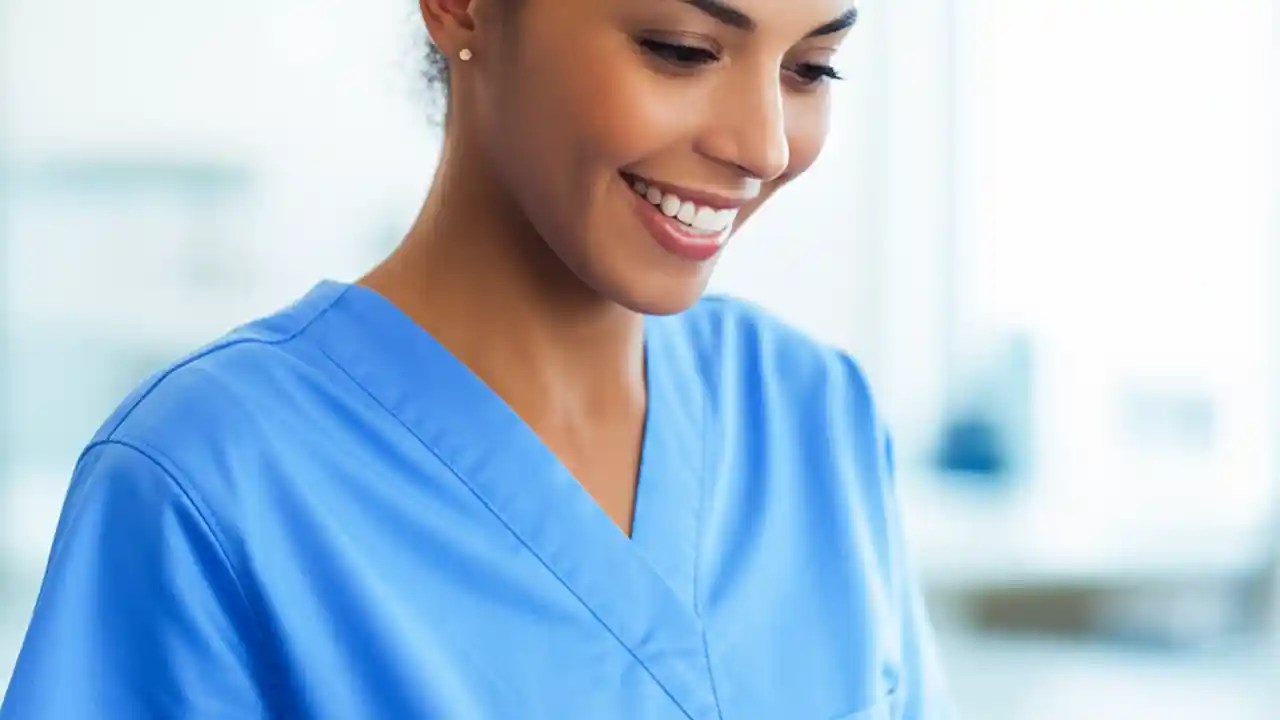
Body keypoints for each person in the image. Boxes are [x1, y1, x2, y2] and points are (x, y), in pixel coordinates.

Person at [0, 0, 953, 717]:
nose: (763, 145)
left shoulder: (812, 413)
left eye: (810, 68)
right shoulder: (209, 479)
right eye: (682, 51)